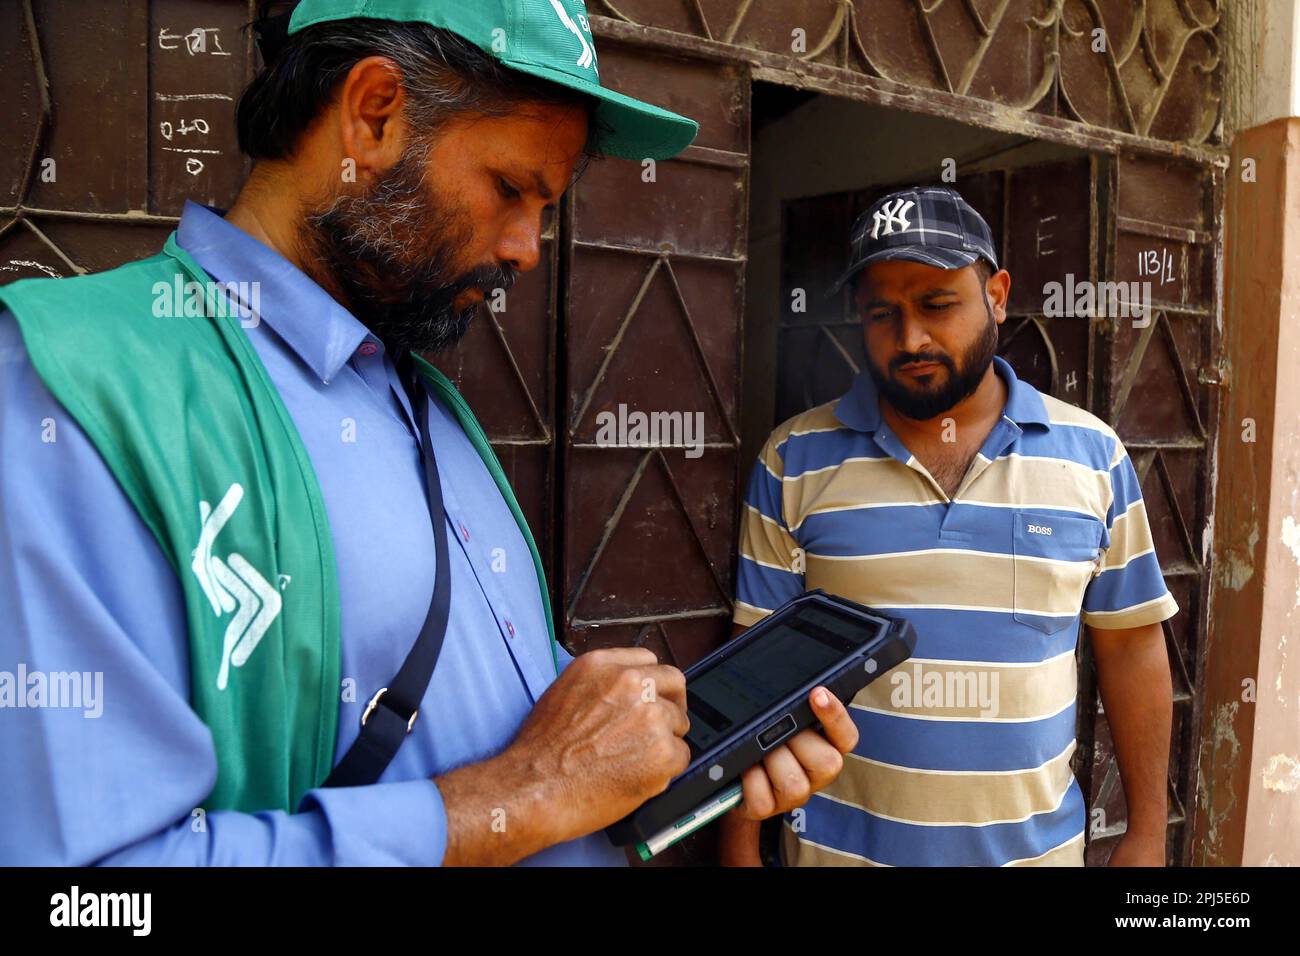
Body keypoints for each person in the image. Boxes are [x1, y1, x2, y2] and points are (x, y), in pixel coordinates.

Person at [0, 0, 857, 866]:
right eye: (511, 188)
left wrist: (667, 759)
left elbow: (503, 724)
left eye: (546, 206)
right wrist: (517, 798)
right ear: (373, 115)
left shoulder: (421, 401)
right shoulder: (72, 386)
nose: (528, 248)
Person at [720, 186, 1177, 867]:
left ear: (996, 294)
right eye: (883, 314)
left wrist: (1146, 834)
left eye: (937, 305)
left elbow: (1132, 648)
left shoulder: (1093, 457)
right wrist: (740, 852)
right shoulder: (794, 461)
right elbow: (752, 674)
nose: (911, 339)